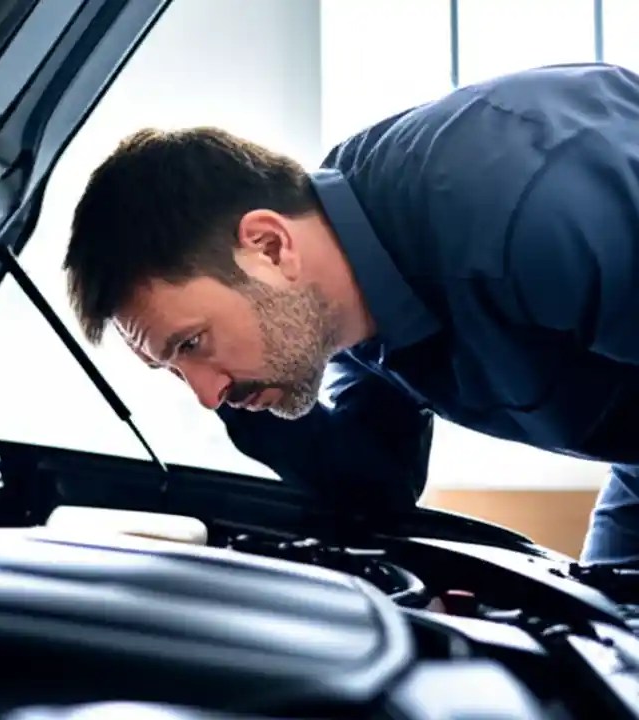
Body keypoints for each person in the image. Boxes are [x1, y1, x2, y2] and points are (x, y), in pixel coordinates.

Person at [61, 62, 639, 564]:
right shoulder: (343, 301)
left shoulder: (527, 200)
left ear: (268, 246)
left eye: (191, 344)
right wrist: (256, 400)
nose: (206, 396)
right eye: (174, 368)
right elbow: (377, 494)